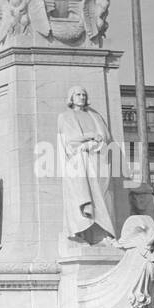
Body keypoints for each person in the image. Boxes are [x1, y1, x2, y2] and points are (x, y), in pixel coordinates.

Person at [57, 86, 118, 245]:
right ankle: (81, 232)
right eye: (78, 94)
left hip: (99, 160)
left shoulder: (95, 116)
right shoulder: (65, 116)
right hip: (79, 161)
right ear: (71, 97)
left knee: (103, 198)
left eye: (84, 94)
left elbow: (106, 137)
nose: (82, 97)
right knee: (82, 196)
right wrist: (89, 137)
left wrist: (93, 144)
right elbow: (69, 140)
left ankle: (103, 234)